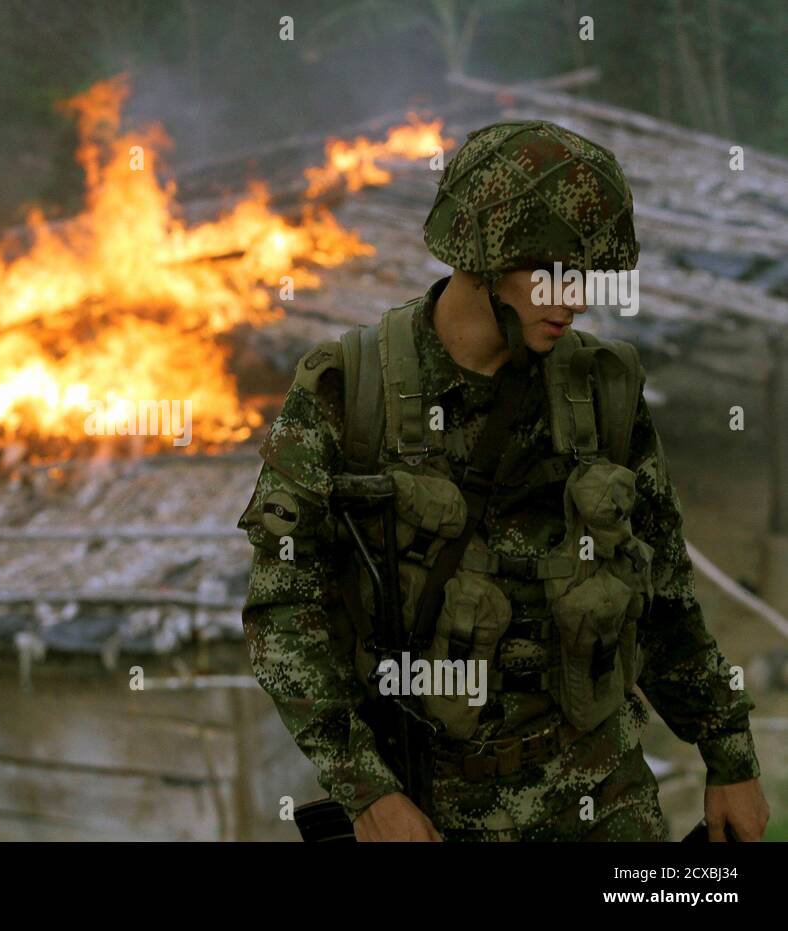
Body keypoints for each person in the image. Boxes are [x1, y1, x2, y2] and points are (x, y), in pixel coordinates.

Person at [238, 119, 770, 841]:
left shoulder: (603, 391)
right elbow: (283, 612)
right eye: (551, 272)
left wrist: (729, 753)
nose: (573, 297)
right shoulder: (347, 391)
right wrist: (368, 793)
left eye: (585, 275)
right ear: (483, 258)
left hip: (603, 801)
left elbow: (664, 597)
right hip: (432, 809)